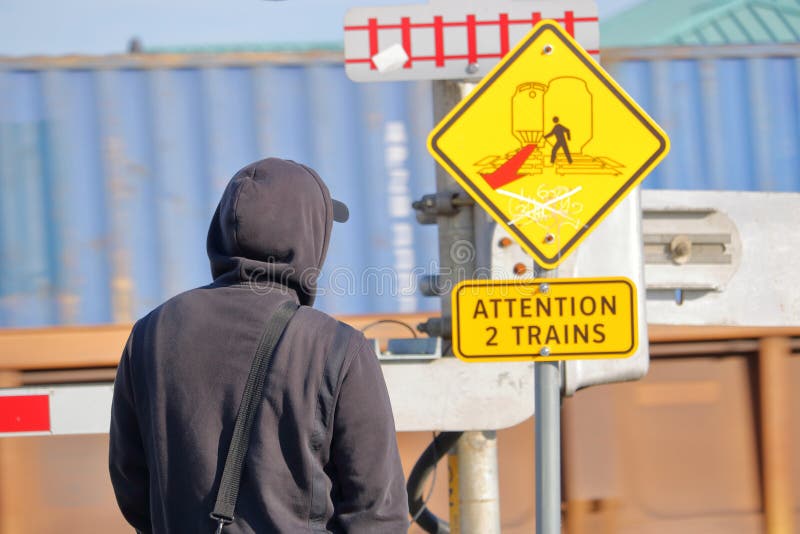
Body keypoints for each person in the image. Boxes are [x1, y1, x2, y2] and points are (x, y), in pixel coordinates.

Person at [109, 158, 409, 533]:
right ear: (307, 236)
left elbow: (132, 485)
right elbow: (378, 514)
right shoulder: (338, 348)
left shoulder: (150, 334)